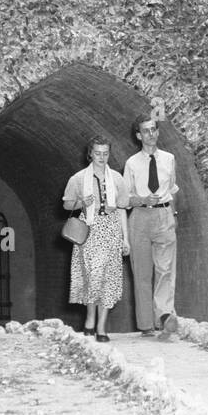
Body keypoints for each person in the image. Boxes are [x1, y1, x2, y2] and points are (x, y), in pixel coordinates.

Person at [62, 136, 130, 341]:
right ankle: (90, 317)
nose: (102, 157)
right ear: (90, 153)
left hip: (111, 231)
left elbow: (122, 209)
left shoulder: (117, 178)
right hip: (89, 231)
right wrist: (81, 202)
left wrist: (125, 239)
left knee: (109, 280)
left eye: (105, 153)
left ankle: (101, 327)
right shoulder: (78, 178)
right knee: (93, 277)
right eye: (98, 153)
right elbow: (66, 205)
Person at [123, 112, 179, 338]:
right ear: (139, 135)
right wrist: (142, 200)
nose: (151, 134)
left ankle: (164, 316)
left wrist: (173, 213)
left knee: (165, 269)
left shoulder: (169, 159)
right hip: (140, 217)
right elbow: (125, 198)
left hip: (164, 215)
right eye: (145, 131)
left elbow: (173, 189)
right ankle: (146, 323)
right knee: (142, 272)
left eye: (154, 129)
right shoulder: (131, 164)